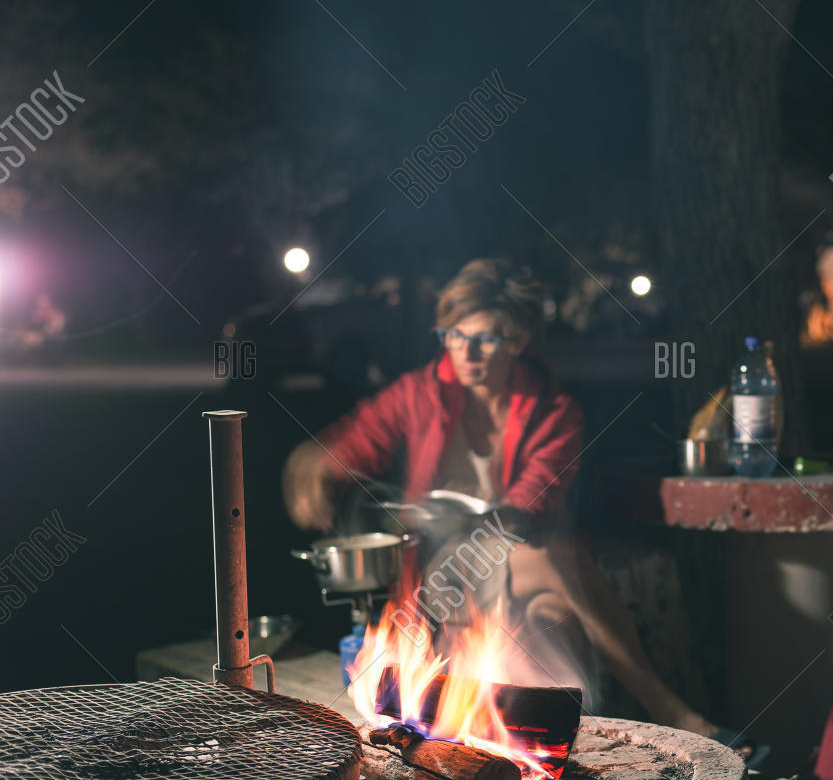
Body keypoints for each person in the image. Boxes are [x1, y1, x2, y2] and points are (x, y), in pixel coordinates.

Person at [283, 258, 747, 752]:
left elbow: (534, 499)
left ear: (519, 340)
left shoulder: (555, 412)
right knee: (556, 560)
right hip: (446, 573)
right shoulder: (419, 393)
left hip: (515, 554)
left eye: (486, 339)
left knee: (550, 613)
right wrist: (312, 465)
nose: (466, 352)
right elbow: (355, 439)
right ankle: (673, 713)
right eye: (454, 336)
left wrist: (475, 518)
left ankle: (558, 759)